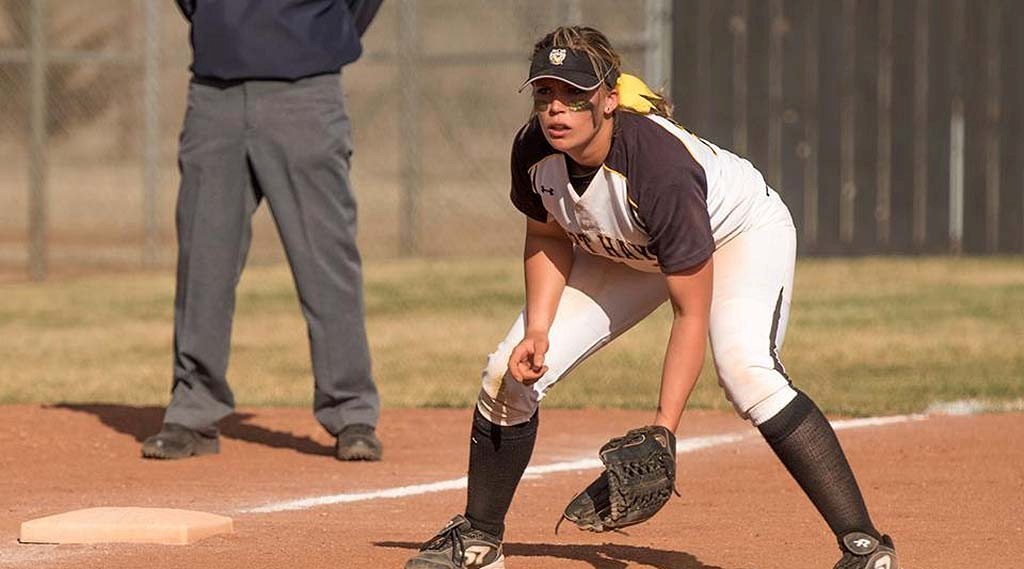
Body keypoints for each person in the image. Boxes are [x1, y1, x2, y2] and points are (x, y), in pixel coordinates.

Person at [404, 26, 899, 569]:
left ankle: (865, 546)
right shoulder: (532, 149)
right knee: (507, 371)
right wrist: (539, 329)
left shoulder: (658, 167)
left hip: (734, 234)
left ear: (609, 99)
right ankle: (479, 538)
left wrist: (664, 429)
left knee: (746, 371)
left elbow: (689, 312)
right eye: (546, 93)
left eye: (575, 94)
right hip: (629, 246)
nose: (556, 109)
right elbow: (546, 234)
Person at [141, 0, 384, 462]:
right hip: (215, 93)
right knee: (203, 262)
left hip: (307, 88)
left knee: (325, 261)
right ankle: (193, 410)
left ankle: (351, 411)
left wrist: (315, 34)